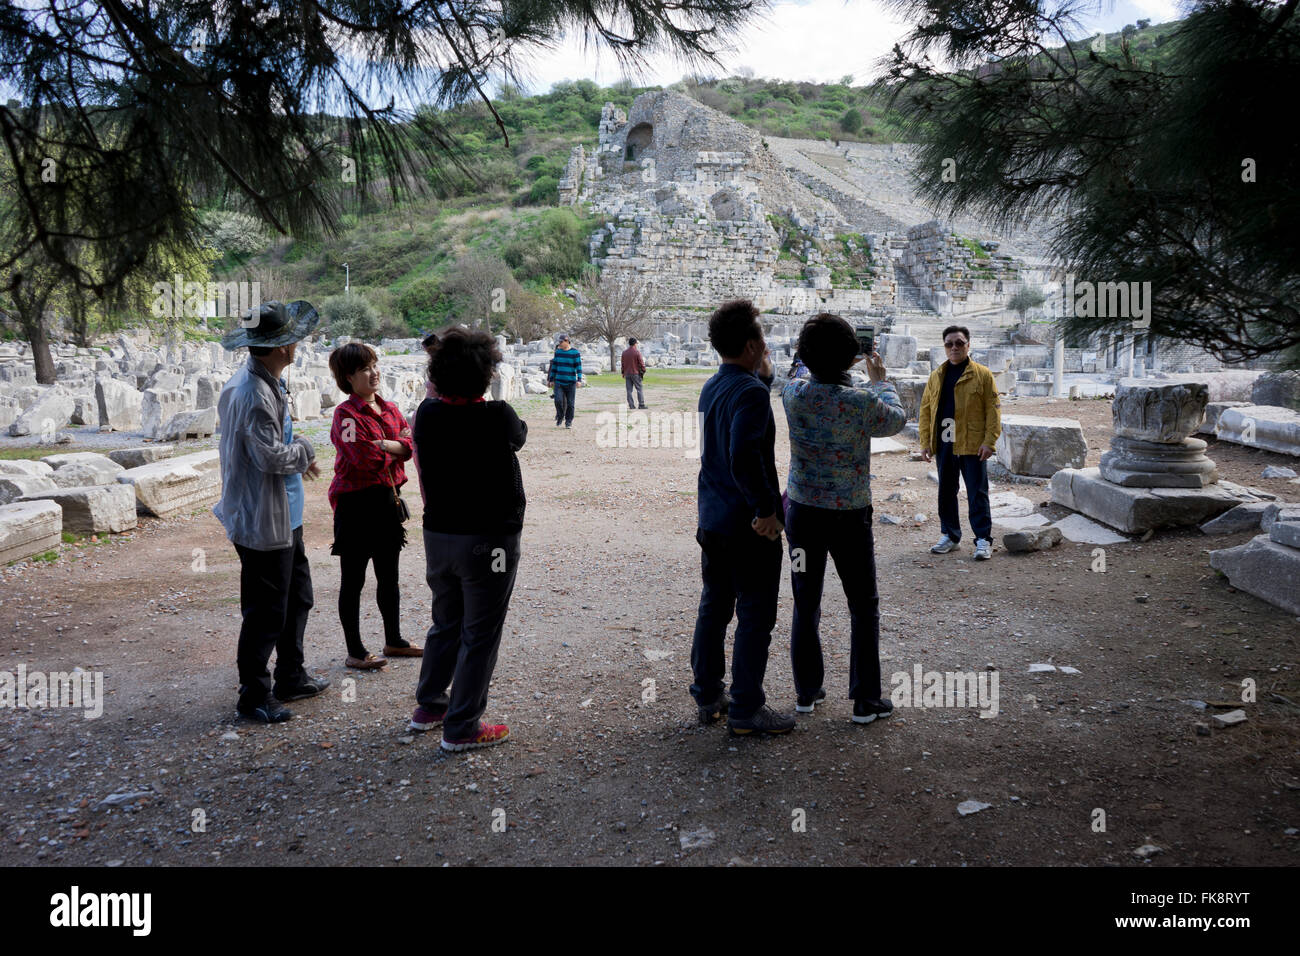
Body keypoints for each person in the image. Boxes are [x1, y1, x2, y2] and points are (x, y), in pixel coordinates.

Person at [782, 314, 906, 725]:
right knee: (863, 604)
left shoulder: (793, 395)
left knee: (805, 599)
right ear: (851, 357)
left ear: (804, 354)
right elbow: (896, 419)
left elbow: (801, 373)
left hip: (801, 514)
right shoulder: (862, 403)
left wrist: (814, 360)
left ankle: (806, 690)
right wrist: (879, 378)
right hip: (850, 516)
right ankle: (866, 698)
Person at [408, 327, 528, 752]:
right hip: (489, 542)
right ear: (486, 374)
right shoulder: (498, 415)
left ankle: (430, 705)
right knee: (481, 632)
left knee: (447, 622)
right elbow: (519, 436)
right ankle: (462, 726)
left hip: (439, 537)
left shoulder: (426, 414)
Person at [214, 300, 330, 723]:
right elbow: (269, 456)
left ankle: (291, 675)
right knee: (265, 610)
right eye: (293, 337)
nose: (298, 343)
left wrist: (297, 455)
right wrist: (305, 450)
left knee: (296, 598)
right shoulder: (252, 393)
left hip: (285, 514)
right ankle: (254, 695)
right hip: (263, 517)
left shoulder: (267, 383)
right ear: (282, 346)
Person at [689, 300, 795, 736]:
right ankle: (747, 709)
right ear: (752, 344)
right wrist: (766, 510)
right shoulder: (750, 393)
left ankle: (709, 695)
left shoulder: (715, 385)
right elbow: (743, 456)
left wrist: (762, 374)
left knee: (715, 607)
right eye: (763, 338)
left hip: (712, 519)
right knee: (755, 615)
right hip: (747, 525)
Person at [327, 342, 421, 670]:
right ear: (348, 378)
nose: (374, 372)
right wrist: (395, 449)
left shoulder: (391, 409)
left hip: (386, 500)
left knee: (389, 576)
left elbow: (411, 443)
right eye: (365, 368)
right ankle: (355, 650)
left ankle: (394, 640)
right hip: (355, 504)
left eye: (375, 365)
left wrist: (388, 444)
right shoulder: (346, 415)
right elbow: (364, 458)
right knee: (353, 579)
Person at [918, 325, 1002, 560]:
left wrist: (989, 441)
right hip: (945, 441)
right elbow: (925, 410)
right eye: (949, 344)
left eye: (959, 343)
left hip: (973, 442)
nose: (954, 347)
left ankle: (983, 539)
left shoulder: (983, 375)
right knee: (946, 491)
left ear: (968, 345)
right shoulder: (936, 376)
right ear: (944, 347)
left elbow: (993, 410)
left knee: (977, 492)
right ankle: (950, 535)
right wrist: (925, 442)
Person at [547, 333, 585, 428]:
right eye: (559, 342)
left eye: (561, 342)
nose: (559, 344)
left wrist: (579, 379)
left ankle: (568, 422)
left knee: (570, 404)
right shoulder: (558, 352)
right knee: (558, 401)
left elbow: (579, 368)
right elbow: (554, 366)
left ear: (567, 341)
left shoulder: (575, 353)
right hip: (559, 381)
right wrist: (551, 379)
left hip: (571, 382)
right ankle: (560, 416)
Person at [621, 337, 647, 409]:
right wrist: (643, 370)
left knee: (629, 390)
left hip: (627, 373)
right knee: (639, 389)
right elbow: (641, 363)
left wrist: (623, 373)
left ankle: (631, 405)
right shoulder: (637, 352)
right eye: (636, 343)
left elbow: (622, 364)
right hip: (635, 373)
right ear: (635, 343)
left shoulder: (624, 352)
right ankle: (641, 404)